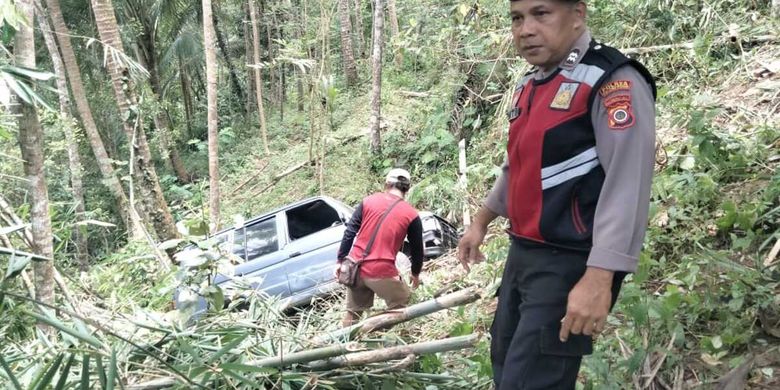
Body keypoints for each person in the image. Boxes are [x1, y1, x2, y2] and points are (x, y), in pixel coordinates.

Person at [457, 0, 657, 388]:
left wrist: (600, 278)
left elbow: (628, 183)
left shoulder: (612, 81)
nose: (525, 29)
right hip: (523, 255)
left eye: (541, 14)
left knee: (534, 380)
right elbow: (519, 164)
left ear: (578, 15)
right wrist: (481, 220)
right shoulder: (533, 83)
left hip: (570, 263)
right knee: (505, 367)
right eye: (517, 18)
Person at [337, 168, 424, 327]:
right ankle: (373, 330)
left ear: (387, 184)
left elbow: (350, 232)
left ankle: (342, 347)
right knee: (402, 300)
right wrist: (415, 274)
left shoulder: (368, 201)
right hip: (380, 269)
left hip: (354, 267)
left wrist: (340, 260)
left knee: (353, 312)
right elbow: (418, 250)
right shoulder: (411, 214)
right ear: (407, 189)